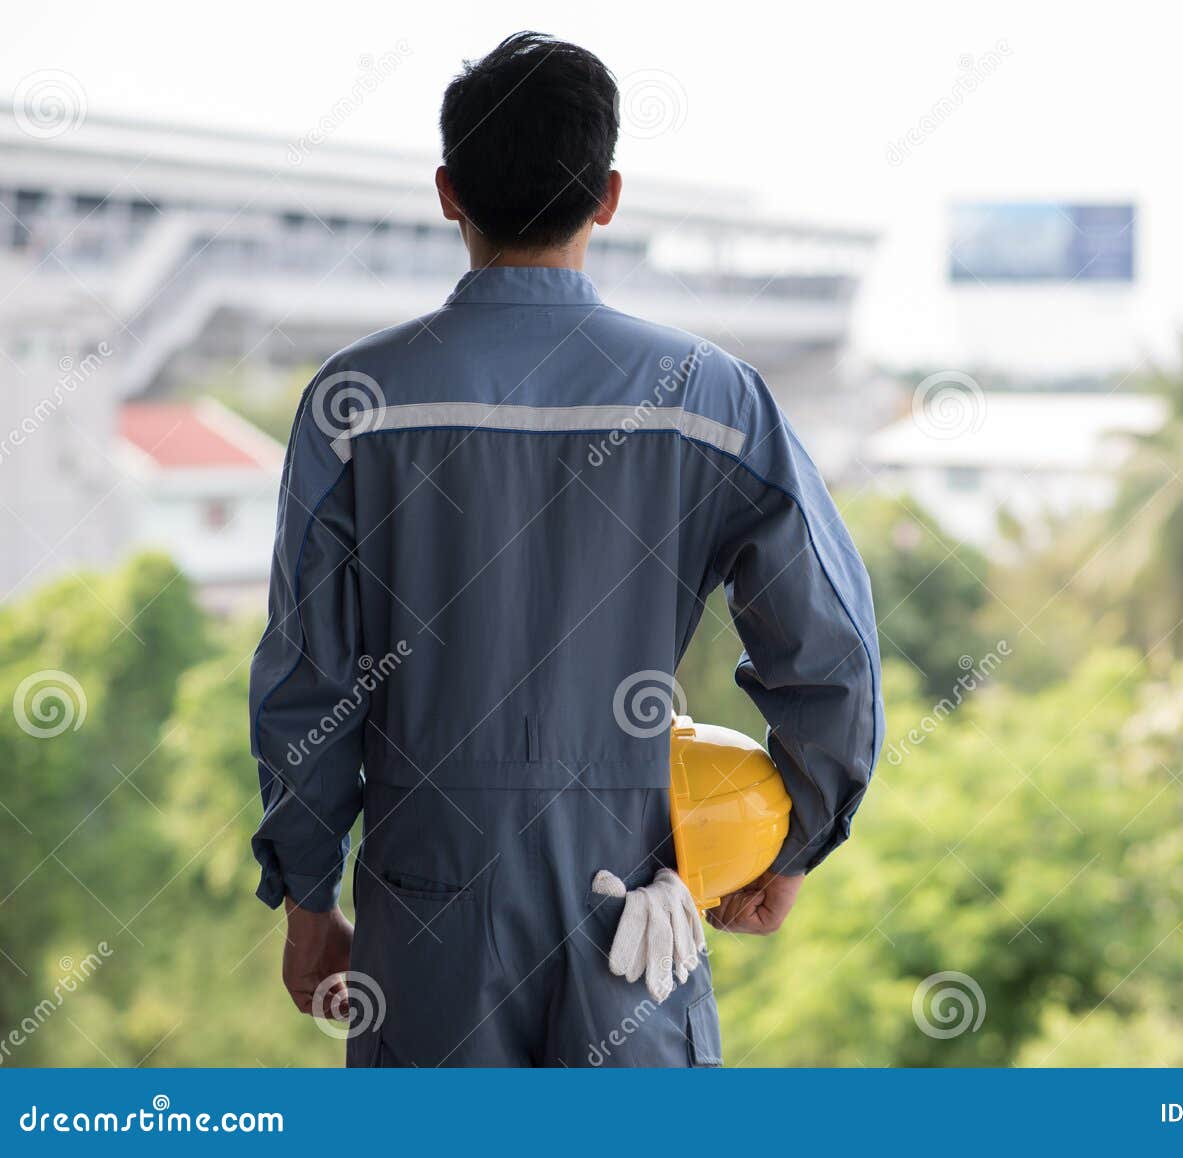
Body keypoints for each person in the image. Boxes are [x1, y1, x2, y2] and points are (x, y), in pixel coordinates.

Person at [246, 31, 883, 1067]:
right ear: (609, 196)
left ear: (448, 191)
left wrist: (308, 899)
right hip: (634, 909)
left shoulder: (353, 406)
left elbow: (309, 687)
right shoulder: (710, 401)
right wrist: (788, 838)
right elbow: (831, 658)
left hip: (425, 924)